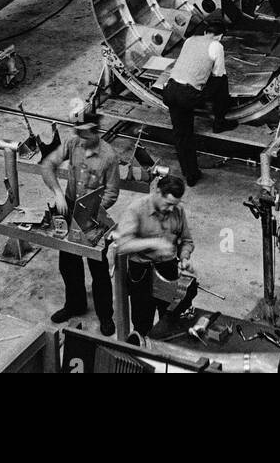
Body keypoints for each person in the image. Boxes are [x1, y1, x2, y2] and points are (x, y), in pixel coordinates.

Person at [40, 112, 121, 335]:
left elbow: (112, 192)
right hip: (69, 204)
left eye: (85, 135)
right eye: (79, 134)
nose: (80, 140)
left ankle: (105, 316)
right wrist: (57, 192)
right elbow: (47, 165)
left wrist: (92, 210)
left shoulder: (109, 156)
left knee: (99, 267)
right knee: (68, 262)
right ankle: (75, 305)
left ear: (96, 132)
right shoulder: (71, 143)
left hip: (93, 212)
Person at [113, 174, 194, 338]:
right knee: (142, 324)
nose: (171, 209)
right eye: (168, 203)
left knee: (172, 319)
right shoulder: (136, 209)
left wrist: (184, 258)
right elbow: (122, 245)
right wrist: (154, 243)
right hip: (142, 272)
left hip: (168, 268)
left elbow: (186, 241)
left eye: (175, 205)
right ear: (158, 192)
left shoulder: (177, 210)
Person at [162, 18, 237, 186]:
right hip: (188, 95)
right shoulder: (217, 45)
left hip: (169, 91)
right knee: (221, 81)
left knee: (182, 135)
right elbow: (218, 73)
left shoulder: (190, 40)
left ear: (205, 32)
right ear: (220, 36)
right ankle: (219, 121)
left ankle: (190, 174)